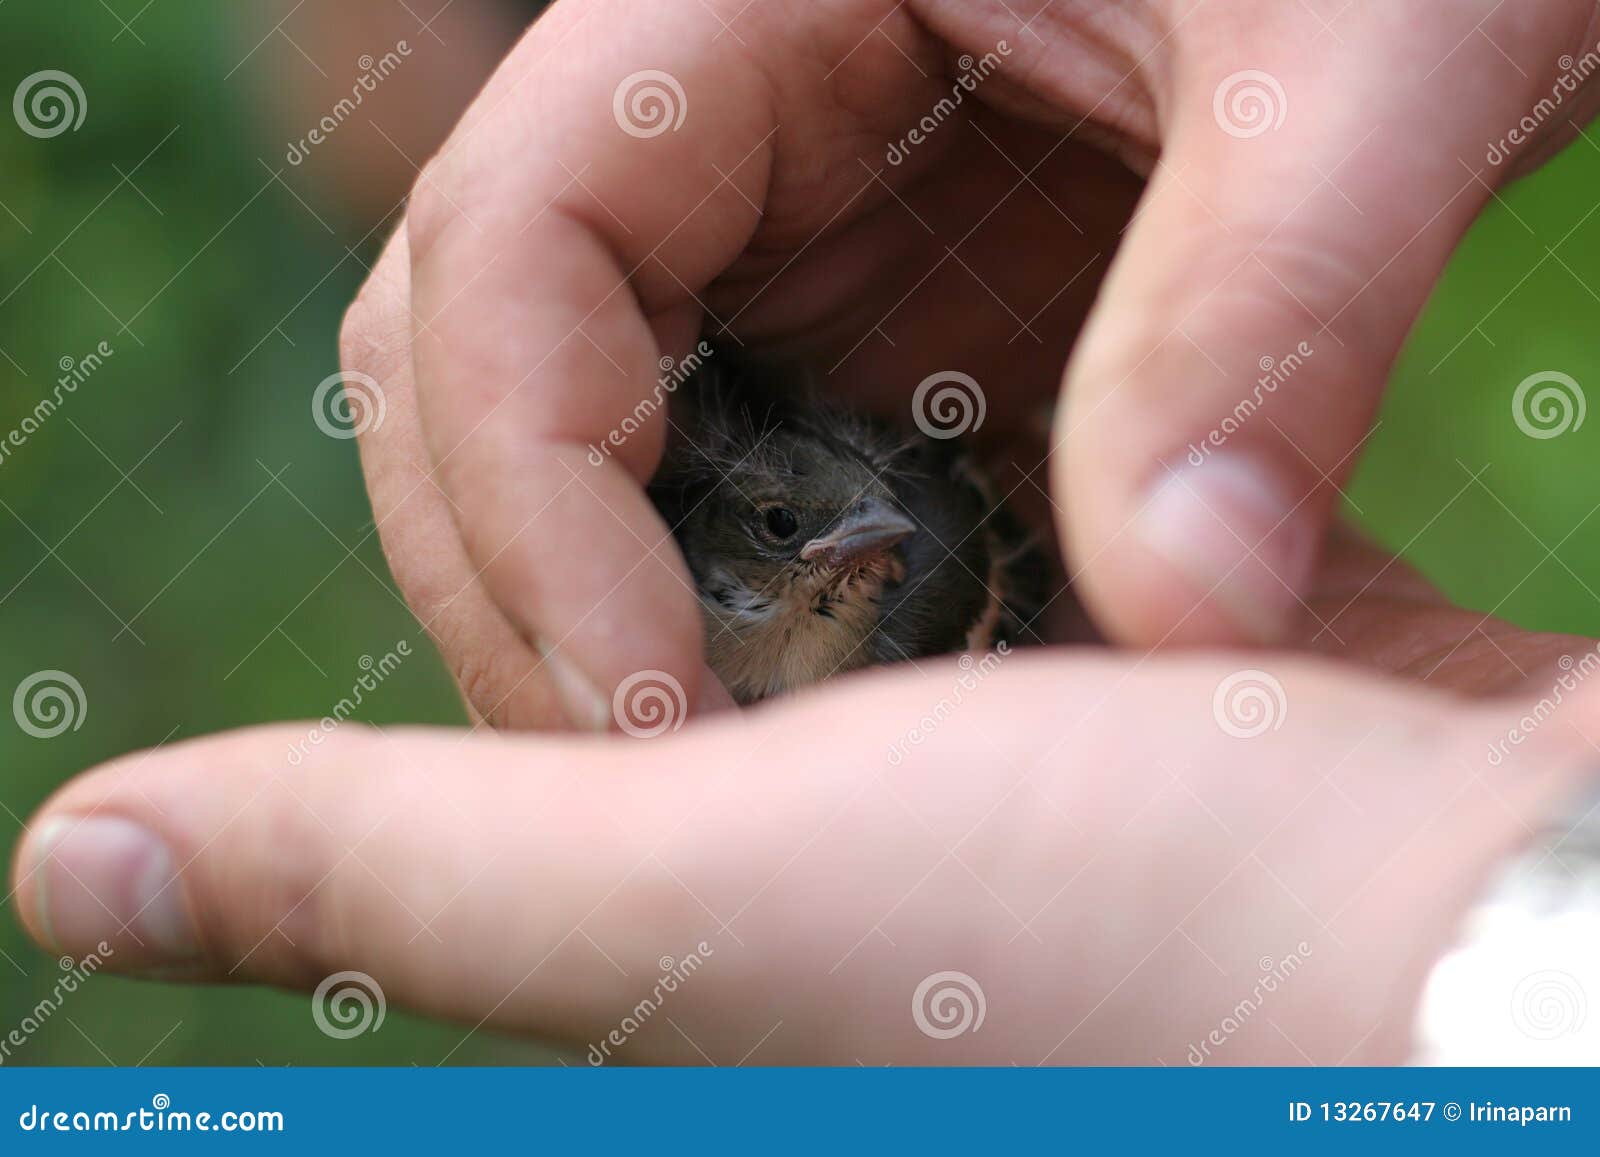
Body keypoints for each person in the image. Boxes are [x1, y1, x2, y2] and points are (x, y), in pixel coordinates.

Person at [12, 0, 1600, 1064]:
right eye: (793, 532)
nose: (869, 548)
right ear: (712, 559)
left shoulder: (938, 588)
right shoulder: (742, 636)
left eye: (864, 538)